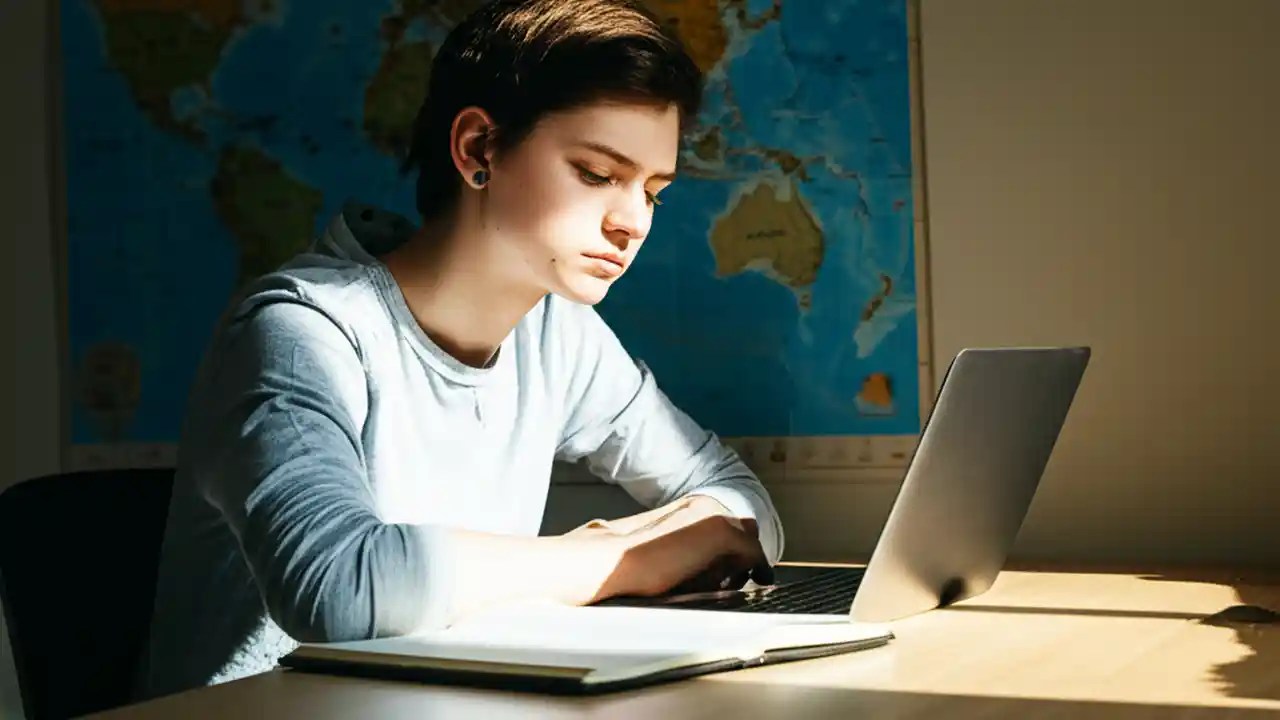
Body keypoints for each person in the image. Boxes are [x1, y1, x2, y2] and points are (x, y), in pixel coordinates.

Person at [137, 0, 785, 700]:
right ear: (478, 148)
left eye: (653, 193)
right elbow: (336, 589)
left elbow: (745, 508)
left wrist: (691, 530)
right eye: (597, 174)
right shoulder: (303, 330)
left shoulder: (557, 333)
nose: (631, 223)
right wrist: (619, 556)